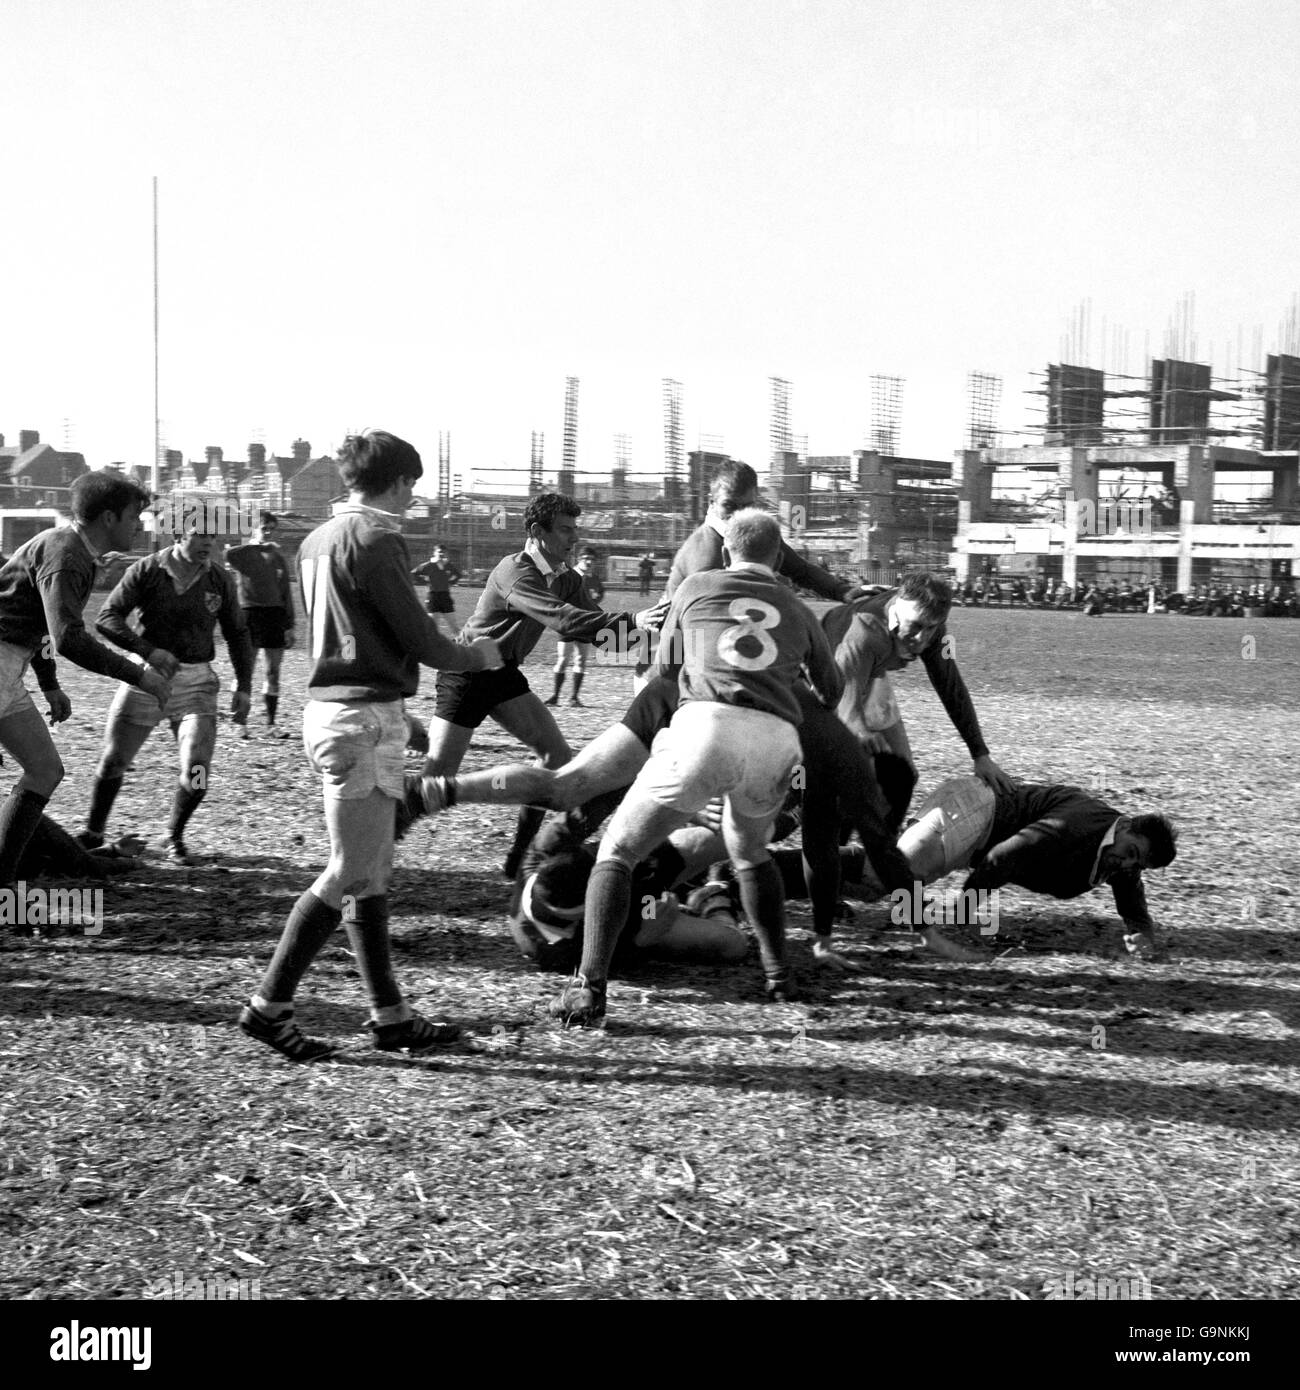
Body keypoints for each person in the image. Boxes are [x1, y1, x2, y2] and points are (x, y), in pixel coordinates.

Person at [237, 430, 502, 1064]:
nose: (414, 496)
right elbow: (421, 640)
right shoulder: (379, 538)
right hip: (359, 717)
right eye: (413, 484)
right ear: (398, 482)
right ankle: (268, 1005)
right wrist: (477, 656)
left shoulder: (314, 538)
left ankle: (390, 1015)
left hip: (340, 708)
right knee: (351, 871)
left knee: (371, 870)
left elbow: (352, 629)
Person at [551, 508, 843, 1028]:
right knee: (750, 851)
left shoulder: (696, 585)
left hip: (705, 723)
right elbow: (833, 689)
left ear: (727, 551)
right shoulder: (799, 609)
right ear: (777, 558)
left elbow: (665, 669)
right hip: (776, 738)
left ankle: (589, 986)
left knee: (619, 848)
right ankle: (779, 976)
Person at [423, 493, 666, 880]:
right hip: (466, 674)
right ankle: (371, 853)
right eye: (566, 530)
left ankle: (519, 858)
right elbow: (566, 622)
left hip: (503, 675)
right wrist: (636, 619)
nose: (574, 538)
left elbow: (599, 634)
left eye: (575, 529)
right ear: (537, 532)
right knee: (435, 781)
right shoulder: (514, 570)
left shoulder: (567, 579)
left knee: (555, 756)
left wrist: (660, 641)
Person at [0, 474, 171, 889]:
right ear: (109, 517)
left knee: (44, 770)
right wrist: (140, 675)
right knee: (42, 771)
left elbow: (32, 621)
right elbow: (67, 638)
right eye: (135, 516)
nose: (140, 526)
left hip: (7, 666)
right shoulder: (68, 554)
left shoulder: (69, 547)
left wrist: (50, 684)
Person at [832, 775, 1178, 959]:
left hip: (975, 833)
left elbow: (1134, 908)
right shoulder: (1076, 826)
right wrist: (967, 916)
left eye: (1139, 863)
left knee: (872, 891)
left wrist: (1141, 935)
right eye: (1131, 852)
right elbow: (1001, 859)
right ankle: (794, 867)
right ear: (1125, 826)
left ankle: (809, 881)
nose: (1128, 864)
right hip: (973, 811)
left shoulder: (1122, 858)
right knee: (884, 880)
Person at [87, 514, 254, 863]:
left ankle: (173, 837)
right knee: (114, 760)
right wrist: (148, 651)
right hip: (148, 677)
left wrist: (244, 685)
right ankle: (93, 832)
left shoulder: (219, 578)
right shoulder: (148, 570)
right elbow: (107, 617)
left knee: (197, 767)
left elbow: (238, 632)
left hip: (196, 683)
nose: (208, 543)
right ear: (178, 535)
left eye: (213, 536)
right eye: (199, 535)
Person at [821, 571, 1014, 829]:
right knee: (844, 778)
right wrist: (859, 729)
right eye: (915, 627)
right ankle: (819, 829)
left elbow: (950, 685)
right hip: (827, 678)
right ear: (898, 610)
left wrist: (980, 754)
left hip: (872, 674)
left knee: (904, 776)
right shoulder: (863, 633)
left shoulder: (932, 627)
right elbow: (844, 698)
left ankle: (880, 855)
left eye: (931, 628)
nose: (922, 639)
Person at [225, 512, 295, 737]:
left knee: (273, 671)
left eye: (272, 529)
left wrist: (290, 625)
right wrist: (257, 545)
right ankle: (240, 723)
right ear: (254, 530)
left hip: (274, 615)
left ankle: (271, 724)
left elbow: (286, 593)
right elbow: (227, 553)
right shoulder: (245, 554)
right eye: (264, 528)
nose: (268, 533)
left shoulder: (278, 557)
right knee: (245, 669)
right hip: (249, 613)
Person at [545, 549, 604, 708]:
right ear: (578, 559)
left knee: (581, 659)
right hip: (568, 622)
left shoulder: (595, 580)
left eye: (592, 558)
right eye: (585, 558)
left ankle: (574, 697)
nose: (588, 561)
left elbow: (598, 596)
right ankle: (555, 696)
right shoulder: (569, 575)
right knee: (563, 658)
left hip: (585, 623)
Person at [410, 543, 461, 633]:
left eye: (444, 552)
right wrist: (425, 582)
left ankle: (461, 645)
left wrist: (451, 582)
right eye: (439, 552)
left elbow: (458, 575)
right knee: (432, 628)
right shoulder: (429, 565)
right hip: (433, 598)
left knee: (454, 627)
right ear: (434, 553)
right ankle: (431, 646)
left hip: (445, 597)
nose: (441, 554)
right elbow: (414, 573)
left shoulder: (448, 565)